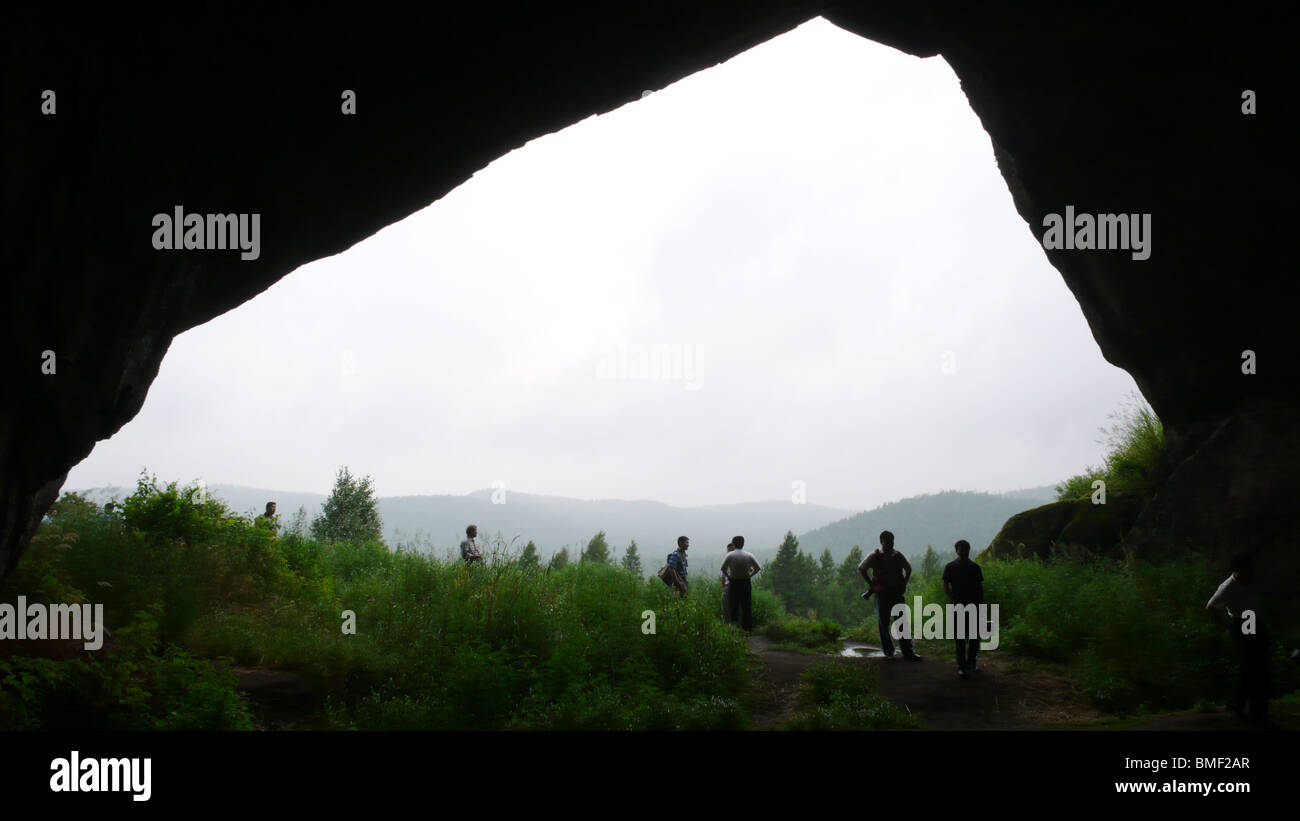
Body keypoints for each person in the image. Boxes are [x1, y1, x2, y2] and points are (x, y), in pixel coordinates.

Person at [1205, 553, 1270, 724]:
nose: (1250, 572)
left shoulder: (1249, 581)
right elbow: (1210, 607)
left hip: (1253, 620)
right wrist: (1227, 626)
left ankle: (1244, 705)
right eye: (1247, 570)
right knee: (1251, 665)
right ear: (1238, 571)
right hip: (1243, 623)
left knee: (1259, 665)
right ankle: (1247, 707)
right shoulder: (1227, 587)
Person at [859, 530, 921, 660]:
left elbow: (908, 569)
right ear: (881, 541)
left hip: (894, 592)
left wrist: (903, 583)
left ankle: (906, 651)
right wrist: (872, 584)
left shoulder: (897, 555)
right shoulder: (875, 555)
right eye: (888, 541)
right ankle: (891, 652)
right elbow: (861, 568)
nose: (890, 544)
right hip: (883, 593)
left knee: (900, 622)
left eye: (891, 541)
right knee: (884, 623)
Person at [943, 539, 984, 679]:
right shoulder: (951, 567)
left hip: (973, 605)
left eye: (965, 549)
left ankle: (970, 662)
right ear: (957, 550)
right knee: (961, 637)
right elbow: (946, 585)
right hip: (959, 605)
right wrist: (953, 598)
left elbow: (979, 588)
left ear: (968, 550)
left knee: (973, 636)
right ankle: (962, 665)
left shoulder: (975, 567)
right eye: (961, 549)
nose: (963, 551)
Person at [720, 535, 761, 633]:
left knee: (734, 606)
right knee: (746, 606)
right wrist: (750, 575)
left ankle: (734, 628)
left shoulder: (730, 555)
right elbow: (758, 568)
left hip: (733, 582)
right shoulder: (749, 555)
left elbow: (723, 569)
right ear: (743, 543)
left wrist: (729, 577)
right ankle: (747, 629)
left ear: (734, 544)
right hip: (746, 582)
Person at [719, 541, 736, 622]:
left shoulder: (737, 560)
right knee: (726, 607)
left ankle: (732, 624)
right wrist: (724, 587)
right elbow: (721, 577)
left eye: (731, 551)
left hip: (734, 585)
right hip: (728, 586)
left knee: (731, 607)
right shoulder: (725, 561)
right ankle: (728, 625)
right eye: (728, 551)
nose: (729, 553)